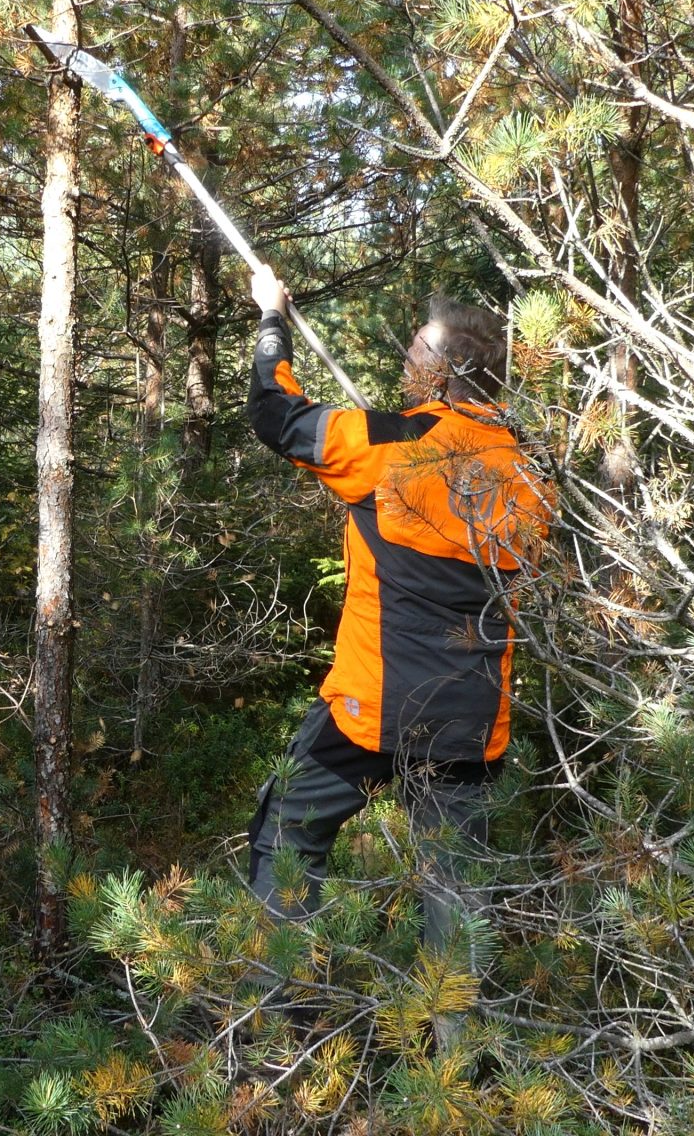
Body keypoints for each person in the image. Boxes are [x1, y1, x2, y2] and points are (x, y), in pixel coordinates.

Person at [242, 264, 547, 970]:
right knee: (457, 888)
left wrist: (272, 318)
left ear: (440, 374)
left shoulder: (392, 443)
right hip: (471, 721)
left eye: (415, 351)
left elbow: (275, 413)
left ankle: (274, 1009)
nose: (404, 360)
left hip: (373, 711)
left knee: (287, 835)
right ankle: (455, 1028)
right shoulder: (531, 472)